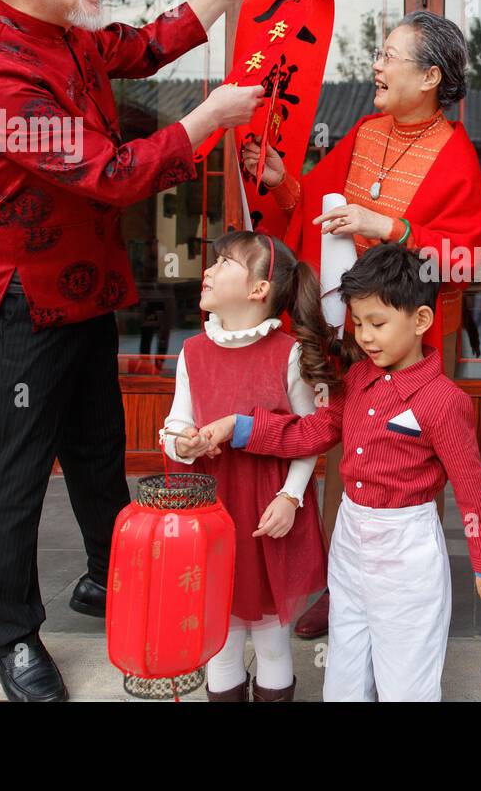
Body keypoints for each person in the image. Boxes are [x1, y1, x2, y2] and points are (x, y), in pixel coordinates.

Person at [0, 0, 270, 701]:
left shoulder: (71, 36)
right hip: (14, 299)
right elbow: (110, 175)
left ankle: (104, 576)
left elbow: (146, 44)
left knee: (95, 445)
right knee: (16, 472)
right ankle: (12, 635)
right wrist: (210, 120)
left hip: (85, 287)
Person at [251, 11, 481, 638]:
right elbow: (318, 206)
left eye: (389, 56)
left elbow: (467, 259)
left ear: (431, 76)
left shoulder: (457, 157)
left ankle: (410, 588)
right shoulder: (364, 129)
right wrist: (283, 184)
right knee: (341, 450)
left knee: (404, 460)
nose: (376, 67)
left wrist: (393, 229)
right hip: (345, 328)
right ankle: (341, 586)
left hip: (405, 340)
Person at [197, 244, 481, 701]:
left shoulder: (443, 401)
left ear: (420, 321)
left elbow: (471, 488)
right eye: (359, 323)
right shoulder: (358, 381)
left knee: (406, 674)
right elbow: (310, 433)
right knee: (344, 666)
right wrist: (241, 428)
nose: (365, 337)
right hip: (349, 539)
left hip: (406, 548)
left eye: (378, 324)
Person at [160, 231, 335, 701]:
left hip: (266, 516)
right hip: (212, 511)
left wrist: (290, 497)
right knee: (220, 639)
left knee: (272, 640)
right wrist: (184, 444)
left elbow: (309, 435)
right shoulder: (192, 352)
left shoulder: (288, 354)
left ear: (259, 290)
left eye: (224, 263)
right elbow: (176, 421)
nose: (210, 270)